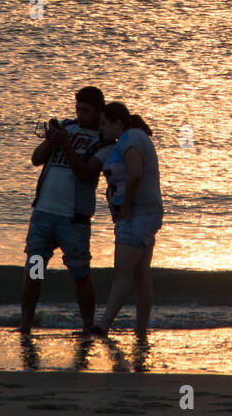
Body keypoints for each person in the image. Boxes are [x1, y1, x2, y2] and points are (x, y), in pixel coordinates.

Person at [19, 85, 105, 334]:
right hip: (43, 214)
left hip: (74, 219)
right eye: (78, 109)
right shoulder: (66, 127)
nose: (80, 115)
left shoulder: (103, 140)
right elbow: (36, 159)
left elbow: (85, 173)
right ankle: (25, 324)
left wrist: (65, 144)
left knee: (80, 274)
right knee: (34, 269)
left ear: (99, 112)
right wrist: (52, 141)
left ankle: (88, 326)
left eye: (86, 110)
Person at [93, 102, 164, 338]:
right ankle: (141, 330)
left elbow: (135, 173)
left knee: (123, 273)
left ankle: (103, 325)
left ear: (118, 123)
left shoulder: (130, 137)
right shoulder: (134, 137)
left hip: (136, 215)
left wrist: (125, 207)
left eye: (104, 124)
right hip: (146, 213)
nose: (101, 128)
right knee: (142, 273)